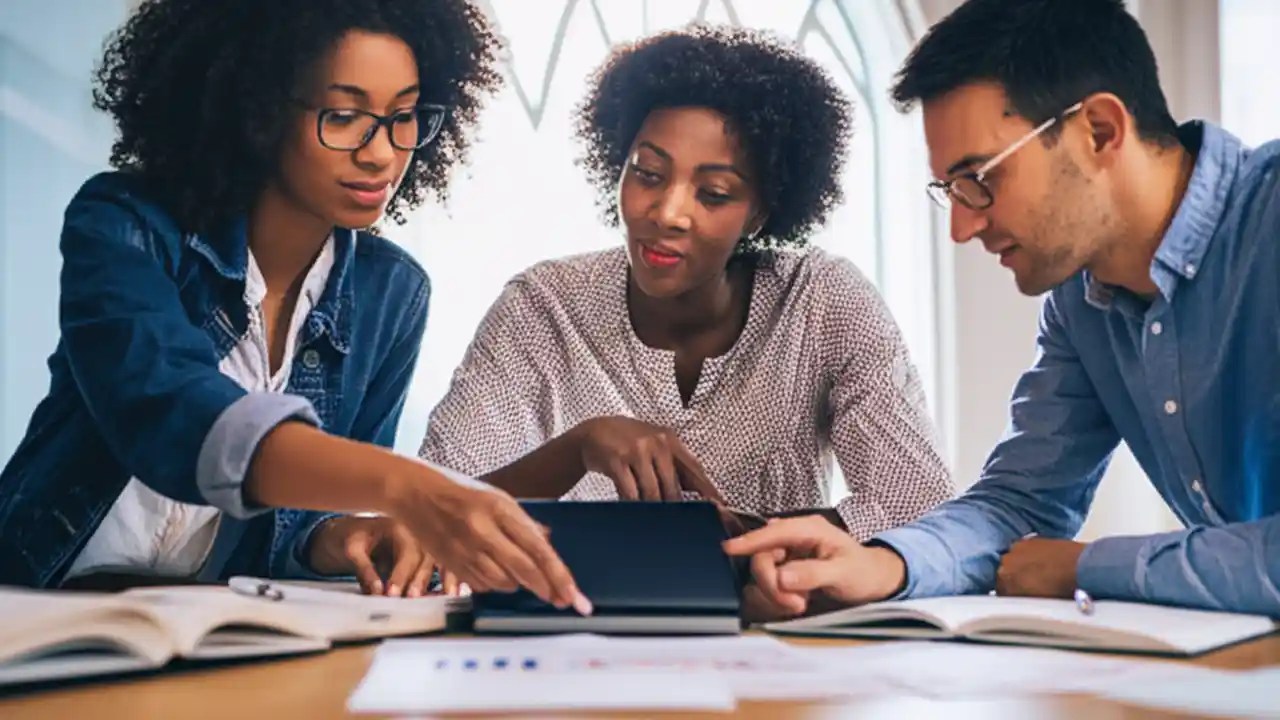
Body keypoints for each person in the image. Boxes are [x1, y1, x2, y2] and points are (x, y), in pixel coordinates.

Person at [0, 0, 586, 613]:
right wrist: (410, 487)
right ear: (255, 110)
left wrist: (342, 536)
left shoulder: (393, 295)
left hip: (208, 627)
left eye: (403, 117)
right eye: (344, 115)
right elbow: (167, 410)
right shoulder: (126, 224)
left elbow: (293, 527)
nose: (382, 154)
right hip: (39, 604)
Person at [725, 0, 1280, 619]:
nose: (963, 228)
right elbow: (1020, 504)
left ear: (1099, 130)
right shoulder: (1082, 300)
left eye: (979, 179)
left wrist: (1084, 565)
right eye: (951, 192)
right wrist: (882, 564)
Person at [419, 26, 953, 604]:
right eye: (648, 174)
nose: (668, 212)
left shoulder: (823, 301)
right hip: (570, 646)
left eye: (715, 193)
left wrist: (725, 545)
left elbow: (920, 504)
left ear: (761, 212)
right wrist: (578, 447)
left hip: (784, 644)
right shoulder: (541, 307)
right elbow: (435, 506)